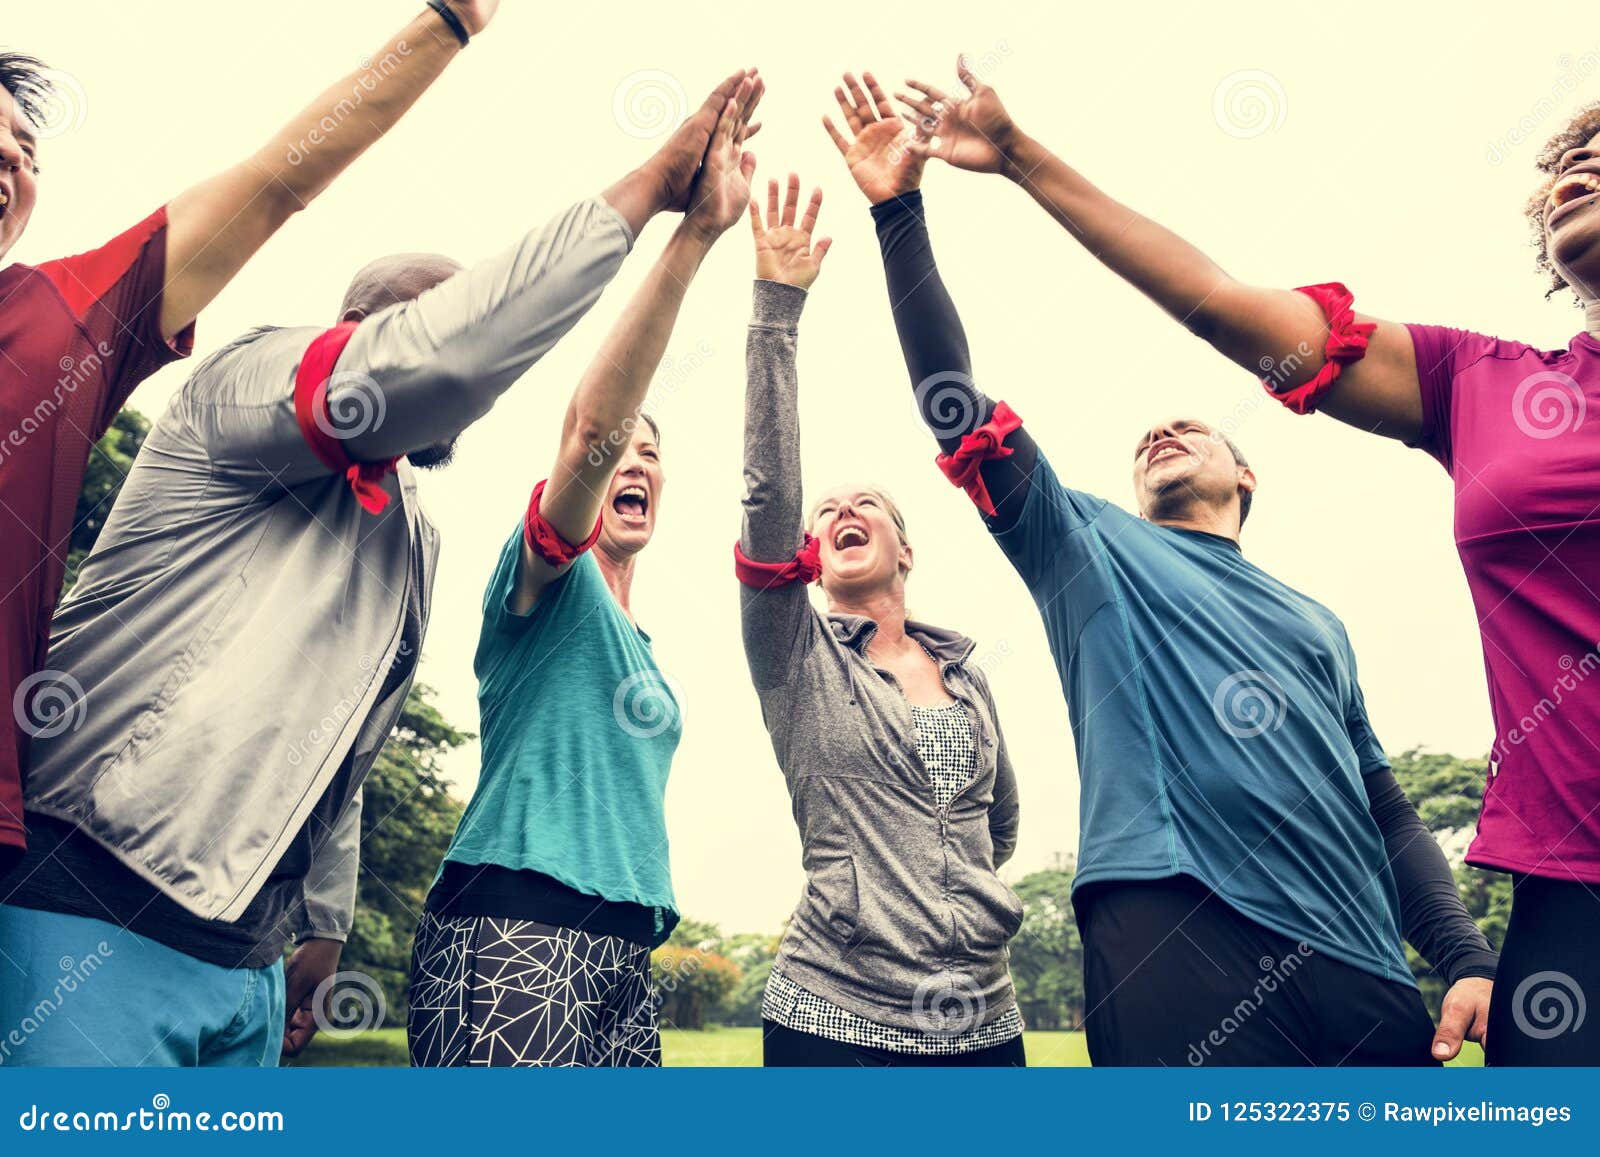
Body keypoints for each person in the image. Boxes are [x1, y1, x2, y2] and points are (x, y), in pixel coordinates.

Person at [0, 69, 758, 1068]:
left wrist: (320, 921)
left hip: (249, 964)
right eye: (429, 316)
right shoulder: (247, 379)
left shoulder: (414, 531)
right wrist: (664, 213)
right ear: (354, 329)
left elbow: (344, 750)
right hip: (98, 904)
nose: (465, 344)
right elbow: (471, 375)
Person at [896, 56, 1600, 1068]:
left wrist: (1456, 953)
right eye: (1564, 162)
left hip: (1358, 961)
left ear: (1249, 473)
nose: (1575, 169)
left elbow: (1377, 800)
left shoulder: (1316, 624)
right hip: (1553, 893)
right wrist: (1012, 161)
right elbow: (1218, 302)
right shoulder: (1483, 388)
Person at [0, 2, 503, 884]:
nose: (14, 156)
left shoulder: (58, 319)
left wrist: (450, 24)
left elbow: (278, 183)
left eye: (29, 151)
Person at [407, 79, 760, 1069]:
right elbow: (592, 431)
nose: (635, 461)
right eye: (625, 452)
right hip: (520, 926)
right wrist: (690, 240)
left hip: (620, 950)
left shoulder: (639, 644)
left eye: (658, 455)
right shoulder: (543, 589)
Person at [738, 173, 1026, 1067]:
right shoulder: (795, 651)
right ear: (808, 553)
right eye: (828, 510)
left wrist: (959, 893)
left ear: (908, 550)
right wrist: (776, 313)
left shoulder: (968, 675)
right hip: (834, 1008)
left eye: (870, 502)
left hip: (984, 1017)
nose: (844, 509)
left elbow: (999, 823)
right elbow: (767, 493)